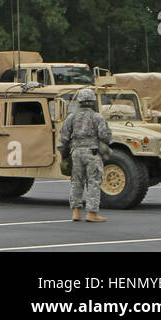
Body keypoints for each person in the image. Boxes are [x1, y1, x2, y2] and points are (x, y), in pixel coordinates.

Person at [59, 88, 111, 222]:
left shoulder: (71, 117)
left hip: (76, 152)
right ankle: (92, 213)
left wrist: (64, 155)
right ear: (93, 101)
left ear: (79, 101)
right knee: (93, 181)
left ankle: (76, 212)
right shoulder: (97, 117)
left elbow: (64, 137)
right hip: (92, 152)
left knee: (76, 181)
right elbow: (105, 136)